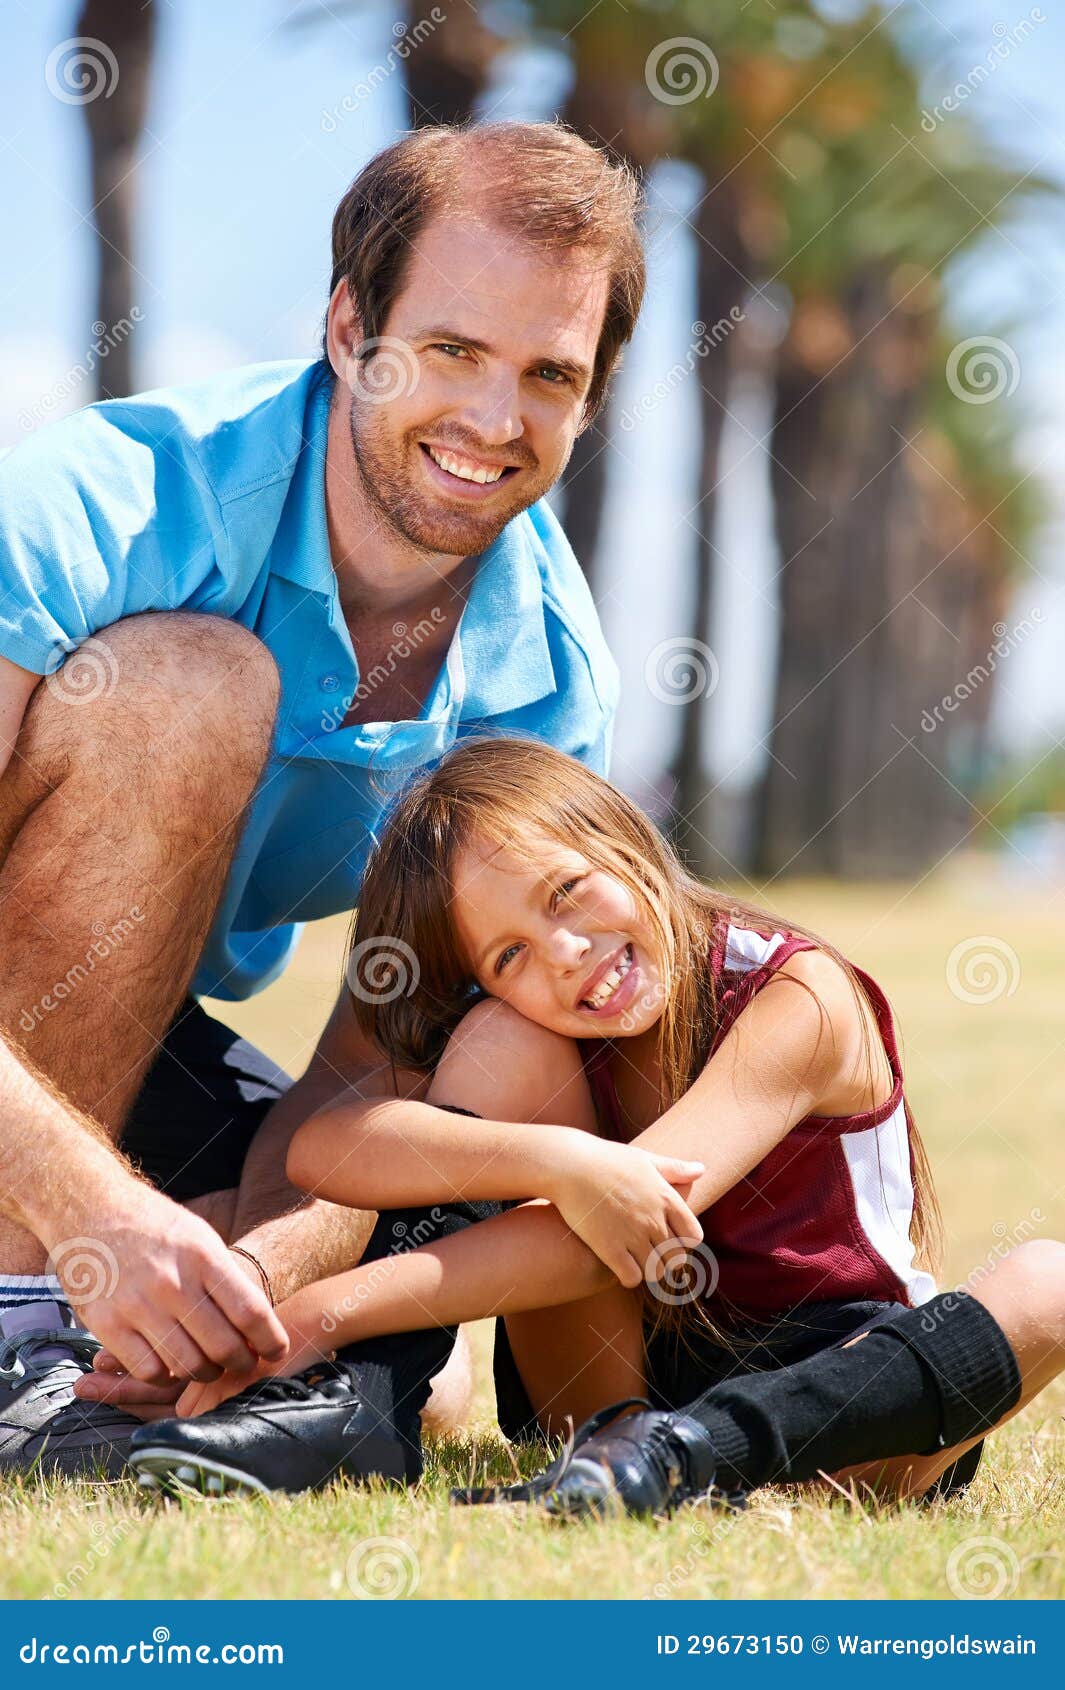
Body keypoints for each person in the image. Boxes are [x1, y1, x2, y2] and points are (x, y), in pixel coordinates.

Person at [0, 120, 641, 1477]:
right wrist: (84, 1211)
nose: (492, 419)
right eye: (453, 350)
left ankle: (106, 1330)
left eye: (548, 375)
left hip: (112, 1034)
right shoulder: (90, 507)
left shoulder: (544, 689)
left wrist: (257, 1294)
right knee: (192, 686)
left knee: (465, 1121)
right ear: (351, 327)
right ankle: (15, 1324)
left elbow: (377, 1061)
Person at [123, 738, 1064, 1510]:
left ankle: (689, 1456)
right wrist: (559, 1156)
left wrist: (321, 1310)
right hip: (607, 1403)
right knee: (503, 1049)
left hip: (828, 1404)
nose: (568, 956)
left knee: (1047, 1282)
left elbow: (629, 1229)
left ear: (625, 837)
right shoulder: (538, 1023)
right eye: (509, 953)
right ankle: (365, 1405)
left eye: (567, 892)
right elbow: (327, 1150)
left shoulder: (796, 995)